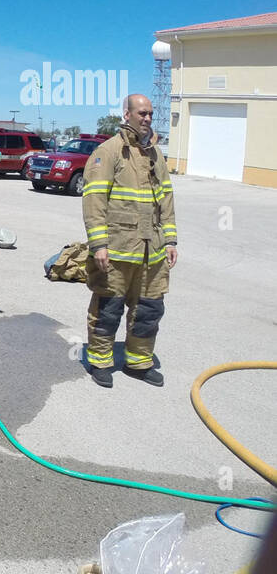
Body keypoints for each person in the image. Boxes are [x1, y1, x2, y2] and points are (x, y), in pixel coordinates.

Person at [82, 94, 178, 388]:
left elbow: (166, 198)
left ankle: (138, 362)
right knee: (108, 309)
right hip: (118, 250)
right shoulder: (108, 152)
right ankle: (100, 361)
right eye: (141, 113)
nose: (147, 118)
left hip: (153, 252)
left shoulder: (154, 154)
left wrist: (171, 240)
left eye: (150, 113)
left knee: (149, 310)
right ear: (127, 114)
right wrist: (99, 244)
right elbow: (94, 200)